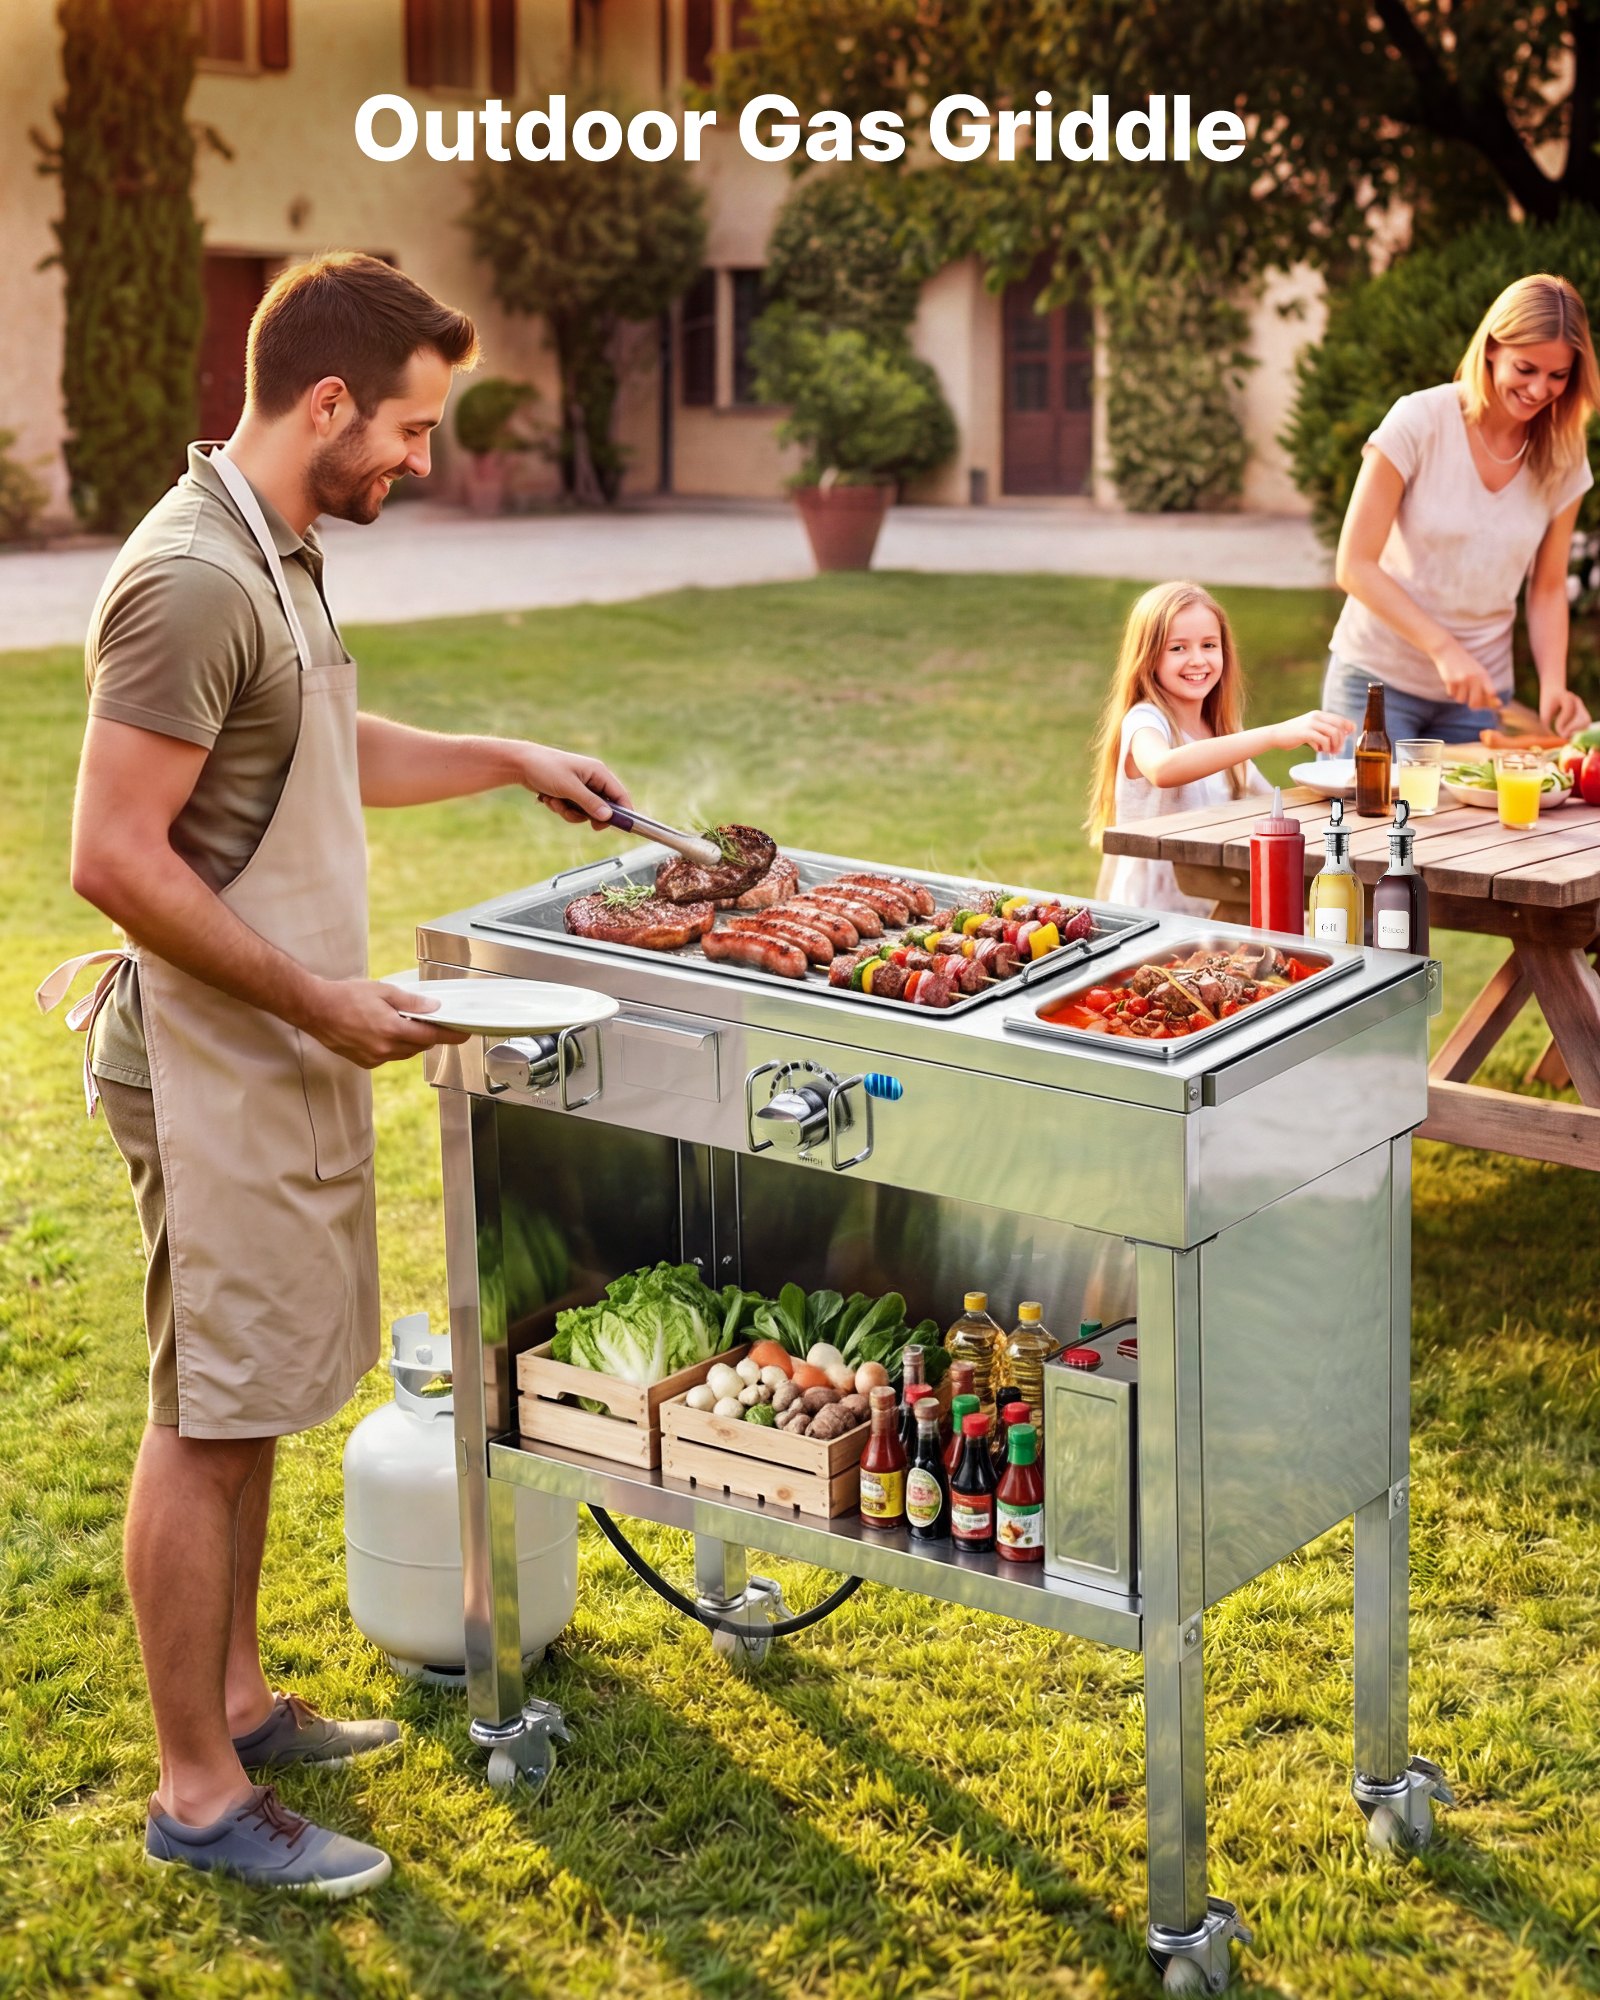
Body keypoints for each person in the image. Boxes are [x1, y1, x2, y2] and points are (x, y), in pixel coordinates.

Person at [38, 253, 632, 1895]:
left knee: (260, 1399)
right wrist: (317, 997)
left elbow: (314, 744)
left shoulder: (278, 552)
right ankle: (199, 1793)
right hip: (219, 1059)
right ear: (325, 406)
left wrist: (508, 759)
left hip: (282, 1044)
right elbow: (112, 854)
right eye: (412, 431)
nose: (421, 462)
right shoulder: (191, 581)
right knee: (207, 1416)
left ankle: (238, 1701)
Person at [1327, 271, 1597, 744]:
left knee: (1473, 822)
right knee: (1369, 820)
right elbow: (1354, 565)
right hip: (1375, 681)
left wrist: (1554, 684)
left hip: (1477, 698)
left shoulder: (1564, 455)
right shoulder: (1418, 420)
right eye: (1526, 368)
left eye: (1558, 375)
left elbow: (1549, 587)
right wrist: (1444, 648)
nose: (1539, 390)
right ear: (1492, 348)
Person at [1088, 580, 1349, 916]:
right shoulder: (1145, 720)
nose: (1197, 659)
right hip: (1152, 915)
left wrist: (1339, 794)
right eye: (1177, 648)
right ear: (1148, 657)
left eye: (1209, 645)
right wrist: (1273, 735)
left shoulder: (1221, 731)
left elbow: (1271, 809)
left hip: (1215, 909)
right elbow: (1163, 768)